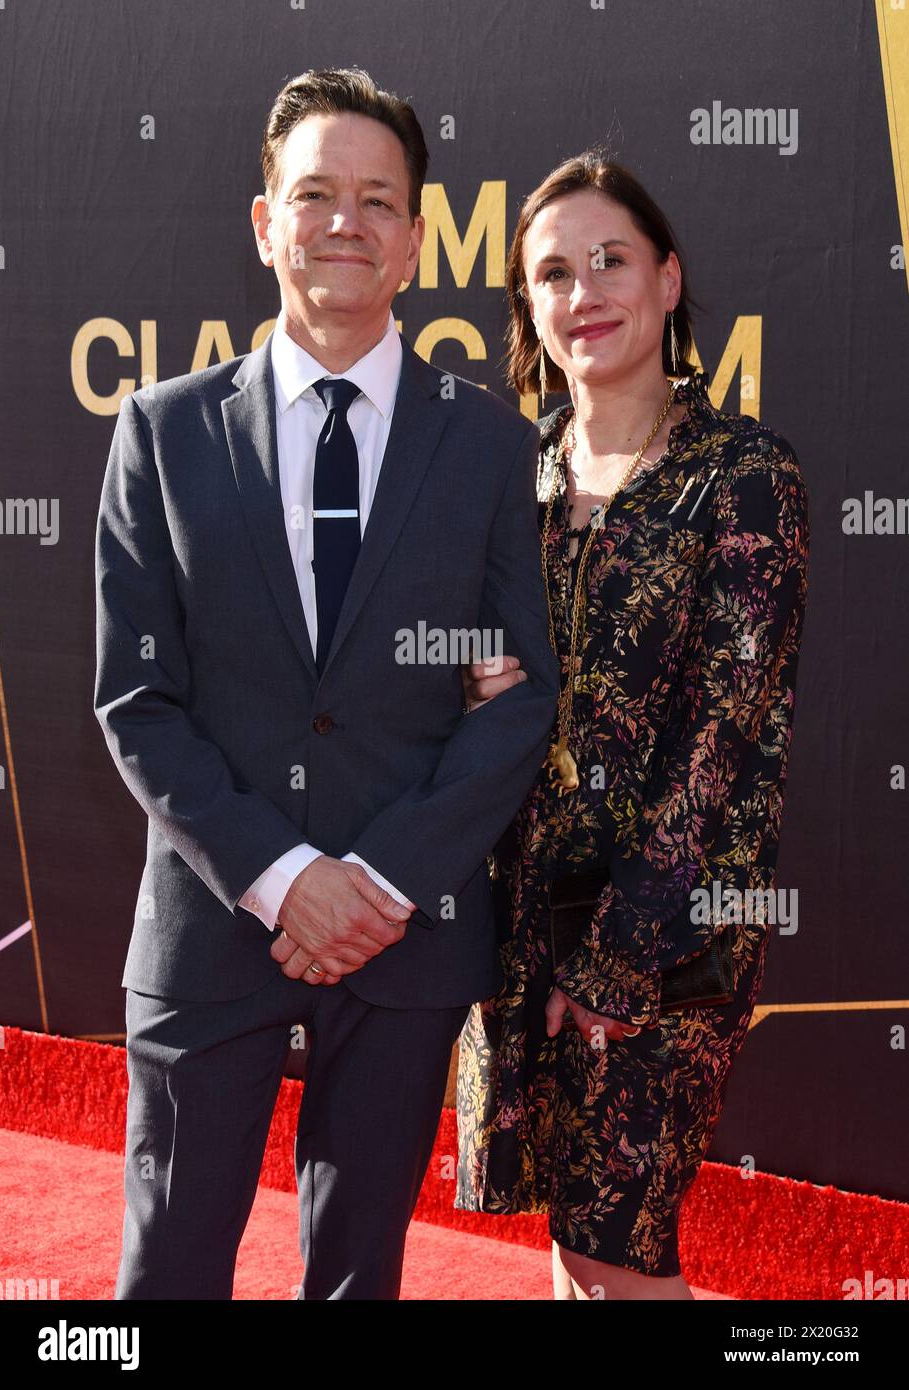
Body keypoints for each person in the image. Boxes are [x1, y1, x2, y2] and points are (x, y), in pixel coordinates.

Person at [94, 67, 559, 1301]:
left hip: (407, 938)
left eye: (376, 198)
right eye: (314, 194)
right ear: (265, 222)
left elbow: (518, 694)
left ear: (415, 236)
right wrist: (288, 879)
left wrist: (382, 882)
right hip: (210, 927)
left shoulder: (492, 442)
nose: (344, 222)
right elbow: (137, 699)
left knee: (361, 1278)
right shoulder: (161, 429)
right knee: (168, 1277)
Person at [454, 150, 810, 1300]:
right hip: (515, 919)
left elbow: (725, 737)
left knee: (617, 1252)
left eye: (611, 260)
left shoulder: (745, 474)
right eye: (552, 273)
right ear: (529, 312)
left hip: (668, 933)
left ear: (668, 279)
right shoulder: (517, 477)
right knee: (571, 1244)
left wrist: (615, 958)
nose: (583, 291)